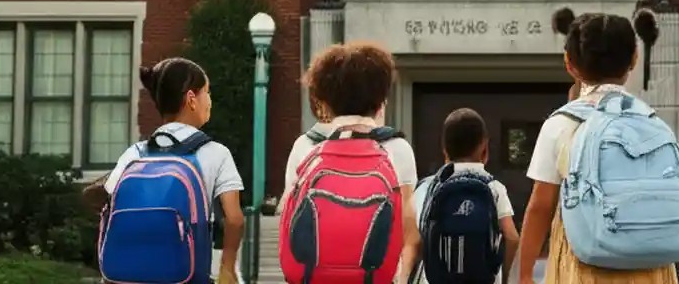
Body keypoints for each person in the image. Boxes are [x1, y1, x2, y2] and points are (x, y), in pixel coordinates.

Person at [518, 8, 679, 284]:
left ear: (569, 63)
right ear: (634, 58)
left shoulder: (562, 125)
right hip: (651, 269)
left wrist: (525, 273)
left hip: (584, 267)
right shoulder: (654, 123)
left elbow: (540, 205)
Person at [279, 41, 420, 284]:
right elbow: (409, 233)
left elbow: (288, 220)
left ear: (326, 101)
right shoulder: (397, 148)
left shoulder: (306, 146)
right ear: (379, 102)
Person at [103, 57, 245, 284]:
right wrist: (227, 269)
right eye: (207, 93)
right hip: (187, 275)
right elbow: (234, 219)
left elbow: (109, 204)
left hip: (130, 277)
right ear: (191, 99)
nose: (210, 101)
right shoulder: (216, 153)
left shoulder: (135, 154)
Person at [412, 108, 520, 284]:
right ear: (485, 149)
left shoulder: (427, 187)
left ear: (444, 150)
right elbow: (512, 237)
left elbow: (415, 241)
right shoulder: (493, 187)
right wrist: (505, 277)